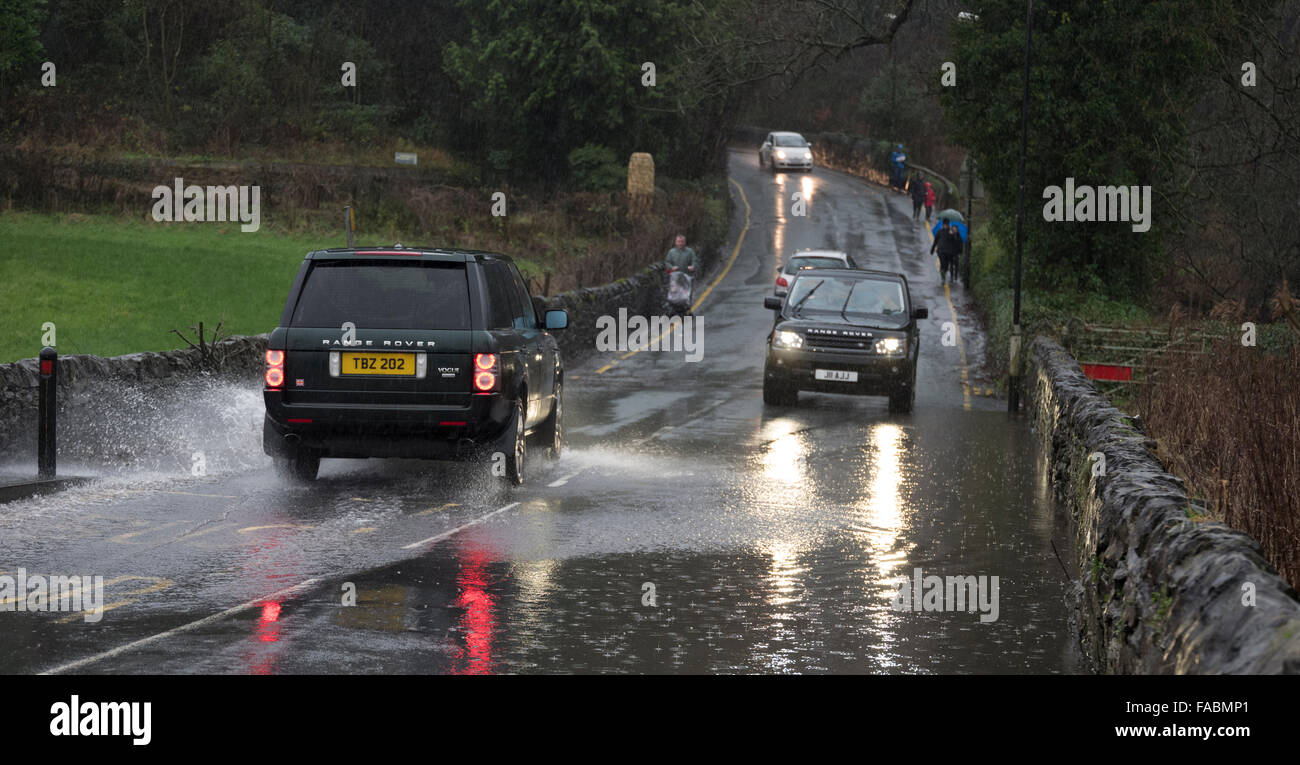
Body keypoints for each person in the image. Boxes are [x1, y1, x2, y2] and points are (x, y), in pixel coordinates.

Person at [930, 219, 964, 285]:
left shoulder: (951, 232)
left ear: (948, 225)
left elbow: (956, 242)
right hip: (941, 251)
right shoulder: (939, 232)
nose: (945, 226)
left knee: (946, 265)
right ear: (943, 225)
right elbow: (935, 241)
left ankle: (944, 272)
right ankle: (943, 277)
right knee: (942, 263)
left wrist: (953, 234)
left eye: (946, 225)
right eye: (944, 225)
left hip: (949, 252)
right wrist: (932, 249)